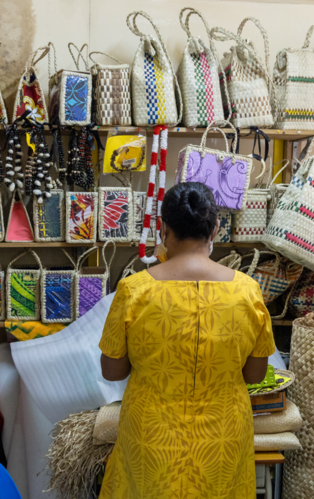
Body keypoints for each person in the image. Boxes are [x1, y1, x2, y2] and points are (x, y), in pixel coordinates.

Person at [98, 182, 276, 499]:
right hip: (223, 437)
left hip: (152, 435)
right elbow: (255, 375)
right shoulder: (247, 291)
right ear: (215, 229)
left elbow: (112, 371)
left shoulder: (134, 290)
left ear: (163, 228)